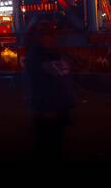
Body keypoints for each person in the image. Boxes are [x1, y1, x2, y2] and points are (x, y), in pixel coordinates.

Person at [23, 16, 75, 159]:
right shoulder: (38, 57)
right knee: (48, 147)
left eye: (52, 35)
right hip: (47, 110)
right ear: (41, 37)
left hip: (55, 109)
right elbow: (41, 84)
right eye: (48, 35)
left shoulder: (50, 55)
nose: (51, 38)